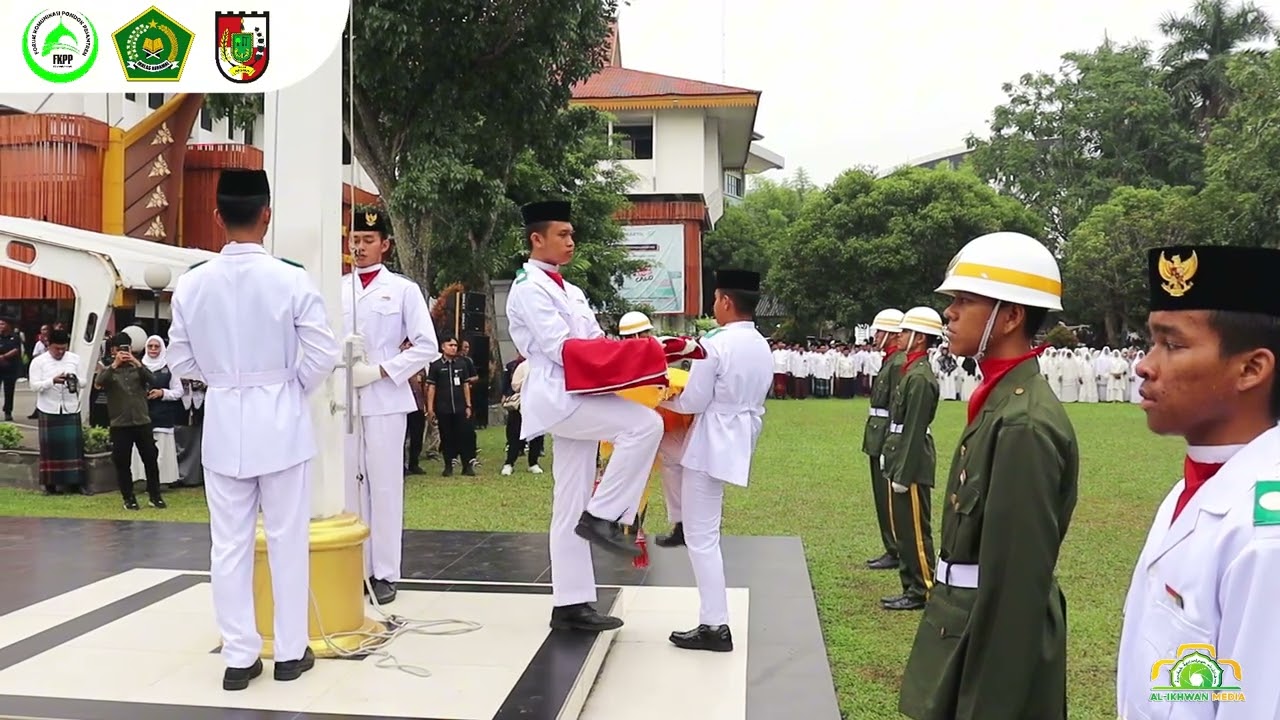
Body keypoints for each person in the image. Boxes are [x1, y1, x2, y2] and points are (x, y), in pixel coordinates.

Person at [165, 168, 341, 691]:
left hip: (224, 424)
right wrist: (290, 388)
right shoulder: (290, 278)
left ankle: (240, 658)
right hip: (282, 423)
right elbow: (323, 352)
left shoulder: (193, 282)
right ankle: (289, 653)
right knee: (288, 539)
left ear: (218, 218)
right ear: (268, 215)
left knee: (229, 544)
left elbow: (179, 358)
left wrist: (222, 381)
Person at [899, 232, 1078, 720]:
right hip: (963, 616)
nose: (949, 313)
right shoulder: (1000, 401)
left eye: (964, 300)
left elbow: (1017, 581)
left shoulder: (1022, 424)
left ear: (1012, 316)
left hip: (991, 630)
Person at [1116, 246, 1280, 719]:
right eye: (1152, 342)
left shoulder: (1264, 535)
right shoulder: (1199, 486)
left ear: (1251, 369)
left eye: (1173, 344)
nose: (1145, 365)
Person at [505, 200, 667, 632]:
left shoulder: (571, 291)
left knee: (568, 504)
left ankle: (570, 605)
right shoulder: (528, 288)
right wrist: (643, 354)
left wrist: (644, 355)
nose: (571, 241)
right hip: (559, 395)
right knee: (645, 426)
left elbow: (595, 340)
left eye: (572, 234)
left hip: (581, 390)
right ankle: (605, 516)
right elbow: (563, 349)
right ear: (537, 239)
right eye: (563, 234)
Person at [660, 269, 772, 651]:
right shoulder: (760, 343)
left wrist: (663, 399)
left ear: (725, 301)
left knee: (701, 537)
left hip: (713, 439)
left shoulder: (715, 343)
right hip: (739, 433)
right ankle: (713, 622)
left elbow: (693, 400)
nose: (713, 306)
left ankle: (714, 625)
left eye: (714, 299)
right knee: (702, 531)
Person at [341, 209, 438, 606]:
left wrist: (380, 369)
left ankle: (384, 572)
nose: (359, 247)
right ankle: (353, 567)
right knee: (348, 486)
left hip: (383, 396)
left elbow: (426, 345)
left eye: (368, 240)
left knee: (383, 485)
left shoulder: (401, 290)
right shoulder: (336, 287)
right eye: (354, 240)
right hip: (342, 399)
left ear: (385, 244)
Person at [879, 307, 942, 611]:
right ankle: (911, 586)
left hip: (912, 463)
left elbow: (915, 430)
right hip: (899, 457)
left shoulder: (920, 378)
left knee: (916, 531)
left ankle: (924, 588)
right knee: (903, 528)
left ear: (919, 339)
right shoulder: (910, 372)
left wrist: (903, 474)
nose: (899, 336)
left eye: (905, 332)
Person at [94, 334, 165, 510]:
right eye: (120, 350)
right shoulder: (109, 371)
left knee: (150, 458)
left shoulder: (138, 367)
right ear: (113, 351)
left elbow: (153, 379)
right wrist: (115, 365)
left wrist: (137, 362)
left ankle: (155, 495)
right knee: (122, 462)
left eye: (126, 349)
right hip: (120, 424)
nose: (124, 353)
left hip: (142, 421)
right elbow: (98, 382)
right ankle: (129, 498)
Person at [862, 308, 905, 571]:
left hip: (887, 433)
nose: (876, 336)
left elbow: (897, 405)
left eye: (880, 331)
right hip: (878, 432)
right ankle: (891, 546)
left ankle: (897, 548)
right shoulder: (890, 360)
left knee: (888, 496)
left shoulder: (898, 363)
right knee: (881, 495)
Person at [28, 329, 87, 495]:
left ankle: (76, 484)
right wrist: (51, 381)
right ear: (48, 345)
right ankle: (50, 485)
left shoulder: (74, 359)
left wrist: (73, 379)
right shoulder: (39, 362)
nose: (60, 352)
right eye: (57, 349)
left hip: (70, 407)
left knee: (73, 448)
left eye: (63, 349)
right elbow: (34, 386)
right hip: (48, 407)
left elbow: (84, 381)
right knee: (50, 449)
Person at [132, 335, 184, 487]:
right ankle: (142, 480)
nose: (153, 350)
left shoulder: (170, 367)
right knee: (141, 449)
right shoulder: (138, 365)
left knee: (161, 450)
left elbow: (178, 391)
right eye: (150, 346)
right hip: (142, 415)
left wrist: (162, 393)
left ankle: (161, 482)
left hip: (163, 415)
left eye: (157, 347)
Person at [426, 335, 478, 477]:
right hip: (443, 408)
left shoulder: (461, 364)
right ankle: (448, 465)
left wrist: (468, 405)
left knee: (464, 435)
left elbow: (465, 385)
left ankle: (467, 465)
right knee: (447, 437)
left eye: (455, 346)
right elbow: (431, 388)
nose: (454, 348)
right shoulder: (436, 366)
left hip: (460, 407)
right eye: (450, 345)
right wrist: (430, 409)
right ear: (443, 347)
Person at [500, 354, 544, 476]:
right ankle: (509, 463)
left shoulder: (544, 366)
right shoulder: (523, 366)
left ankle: (533, 462)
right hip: (521, 406)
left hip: (538, 405)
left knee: (536, 436)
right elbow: (515, 385)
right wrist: (528, 381)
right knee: (515, 435)